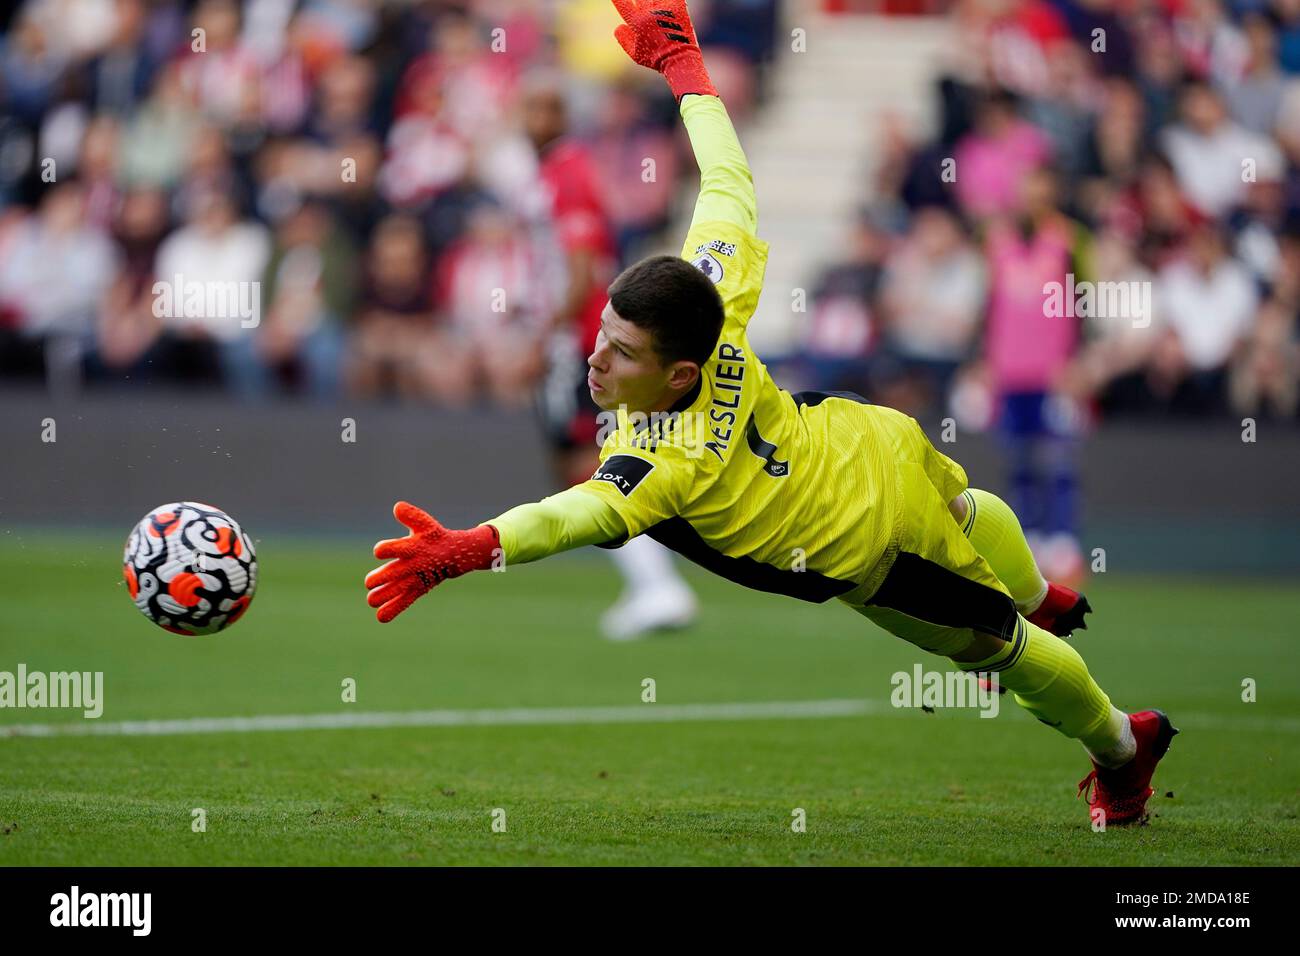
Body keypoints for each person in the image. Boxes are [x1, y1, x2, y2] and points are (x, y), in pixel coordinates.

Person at [363, 0, 1177, 826]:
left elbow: (568, 515)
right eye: (602, 334)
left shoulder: (665, 460)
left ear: (678, 374)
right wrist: (683, 64)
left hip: (873, 546)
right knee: (966, 506)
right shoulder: (708, 289)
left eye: (621, 354)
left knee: (1006, 651)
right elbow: (726, 178)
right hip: (867, 434)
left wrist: (472, 550)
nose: (596, 357)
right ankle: (1038, 588)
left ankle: (1120, 749)